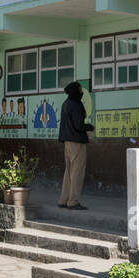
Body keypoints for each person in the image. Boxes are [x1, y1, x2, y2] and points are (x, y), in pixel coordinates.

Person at [57, 81, 94, 210]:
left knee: (68, 171)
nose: (82, 92)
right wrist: (90, 127)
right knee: (77, 172)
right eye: (80, 90)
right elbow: (79, 125)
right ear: (75, 92)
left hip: (67, 142)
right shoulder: (76, 105)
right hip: (77, 142)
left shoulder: (65, 104)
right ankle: (73, 201)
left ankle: (64, 199)